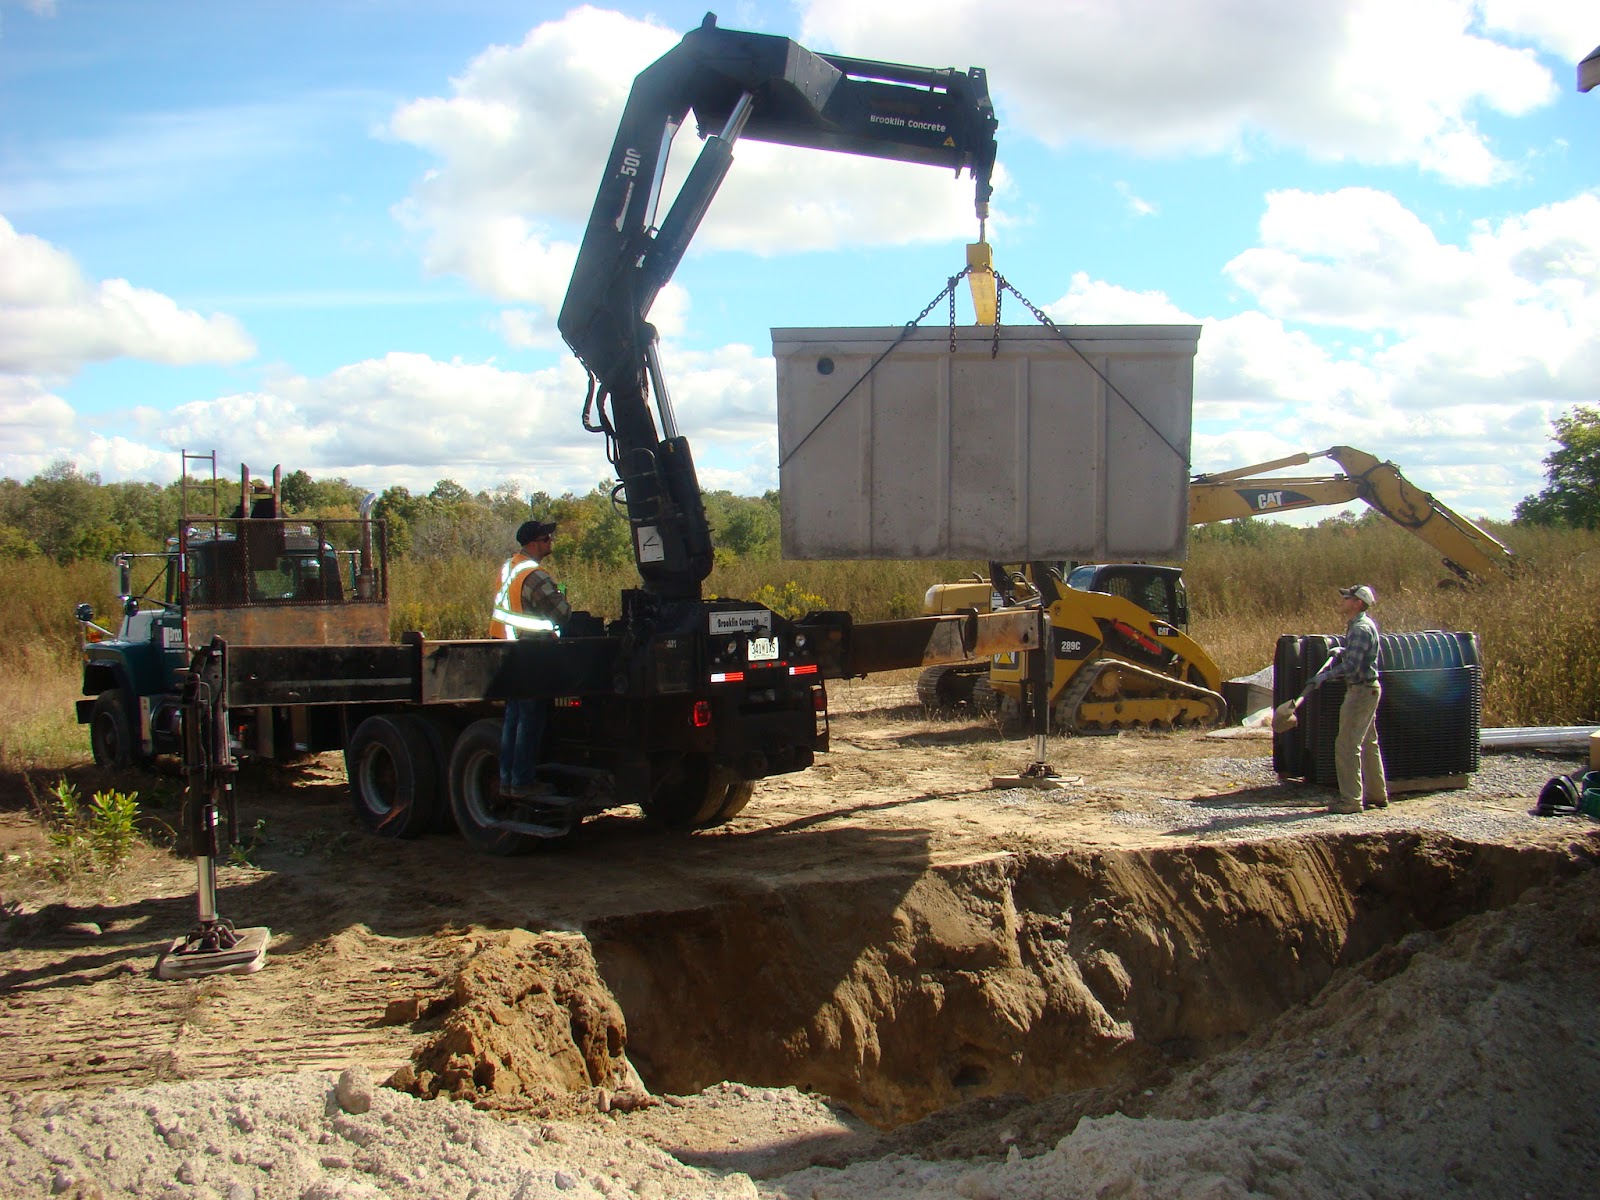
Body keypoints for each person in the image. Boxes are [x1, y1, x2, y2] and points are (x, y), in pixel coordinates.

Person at [489, 519, 571, 799]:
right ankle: (522, 781)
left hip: (506, 650)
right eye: (547, 539)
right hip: (528, 653)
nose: (550, 543)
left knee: (513, 717)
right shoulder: (534, 575)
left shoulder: (509, 567)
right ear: (535, 543)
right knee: (529, 717)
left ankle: (508, 779)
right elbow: (561, 613)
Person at [1325, 584, 1389, 814]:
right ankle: (1377, 795)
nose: (1343, 600)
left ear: (1357, 603)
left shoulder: (1361, 628)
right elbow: (1357, 656)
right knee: (1368, 743)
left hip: (1361, 691)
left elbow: (1353, 665)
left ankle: (1351, 801)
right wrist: (1341, 651)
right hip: (1367, 690)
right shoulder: (1358, 626)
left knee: (1347, 745)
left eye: (1347, 598)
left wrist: (1326, 676)